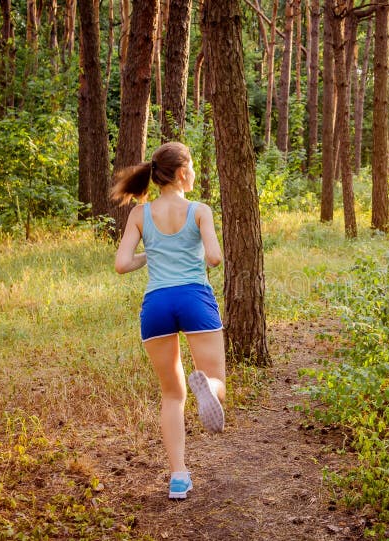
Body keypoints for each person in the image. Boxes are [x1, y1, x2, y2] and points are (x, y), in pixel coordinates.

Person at [112, 142, 226, 500]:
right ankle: (209, 390)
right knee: (215, 376)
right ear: (181, 173)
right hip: (194, 299)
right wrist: (204, 251)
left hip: (157, 304)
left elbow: (122, 264)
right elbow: (215, 258)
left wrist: (153, 253)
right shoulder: (199, 210)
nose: (192, 171)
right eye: (190, 165)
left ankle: (178, 477)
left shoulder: (139, 214)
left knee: (171, 394)